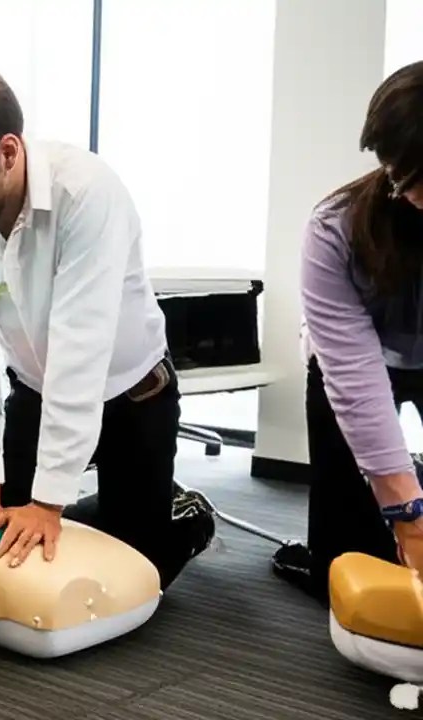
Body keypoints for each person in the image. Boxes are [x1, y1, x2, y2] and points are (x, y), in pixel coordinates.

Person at [0, 62, 214, 590]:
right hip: (37, 392)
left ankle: (186, 513)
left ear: (8, 152)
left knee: (133, 571)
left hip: (133, 393)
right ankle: (93, 508)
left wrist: (47, 503)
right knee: (5, 543)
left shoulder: (86, 194)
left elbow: (78, 352)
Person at [271, 61, 423, 600]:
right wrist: (406, 513)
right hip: (359, 360)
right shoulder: (335, 229)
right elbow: (356, 378)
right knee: (345, 562)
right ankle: (323, 561)